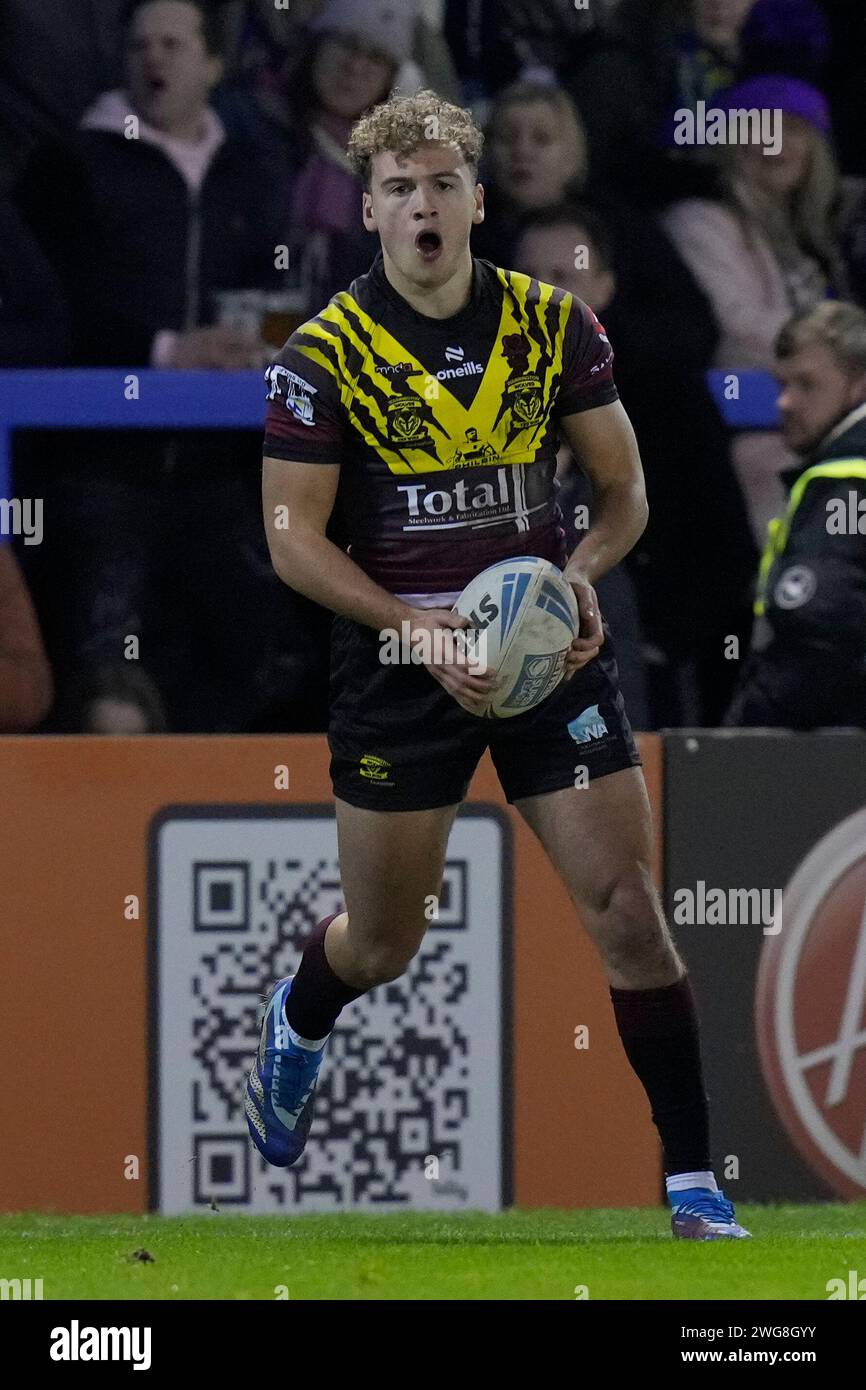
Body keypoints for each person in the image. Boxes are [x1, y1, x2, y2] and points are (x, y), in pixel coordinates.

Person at [254, 88, 751, 1240]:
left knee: (629, 910)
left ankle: (689, 1180)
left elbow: (624, 490)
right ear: (368, 213)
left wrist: (578, 574)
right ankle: (299, 1016)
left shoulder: (551, 324)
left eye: (440, 185)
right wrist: (413, 628)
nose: (421, 207)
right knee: (382, 943)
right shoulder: (324, 353)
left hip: (543, 650)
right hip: (399, 666)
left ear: (476, 200)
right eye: (397, 190)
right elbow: (289, 537)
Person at [515, 203, 755, 727]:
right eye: (527, 278)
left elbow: (725, 549)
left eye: (563, 277)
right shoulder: (466, 400)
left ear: (603, 288)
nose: (542, 295)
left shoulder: (665, 396)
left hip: (641, 680)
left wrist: (658, 643)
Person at [663, 75, 842, 543]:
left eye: (795, 129)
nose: (778, 142)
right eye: (761, 129)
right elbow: (736, 328)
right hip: (752, 437)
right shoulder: (700, 222)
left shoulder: (812, 238)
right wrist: (845, 347)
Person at [726, 300, 866, 728]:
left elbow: (816, 624)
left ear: (859, 386)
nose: (785, 402)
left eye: (807, 385)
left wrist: (751, 727)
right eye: (781, 383)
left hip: (830, 749)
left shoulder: (847, 482)